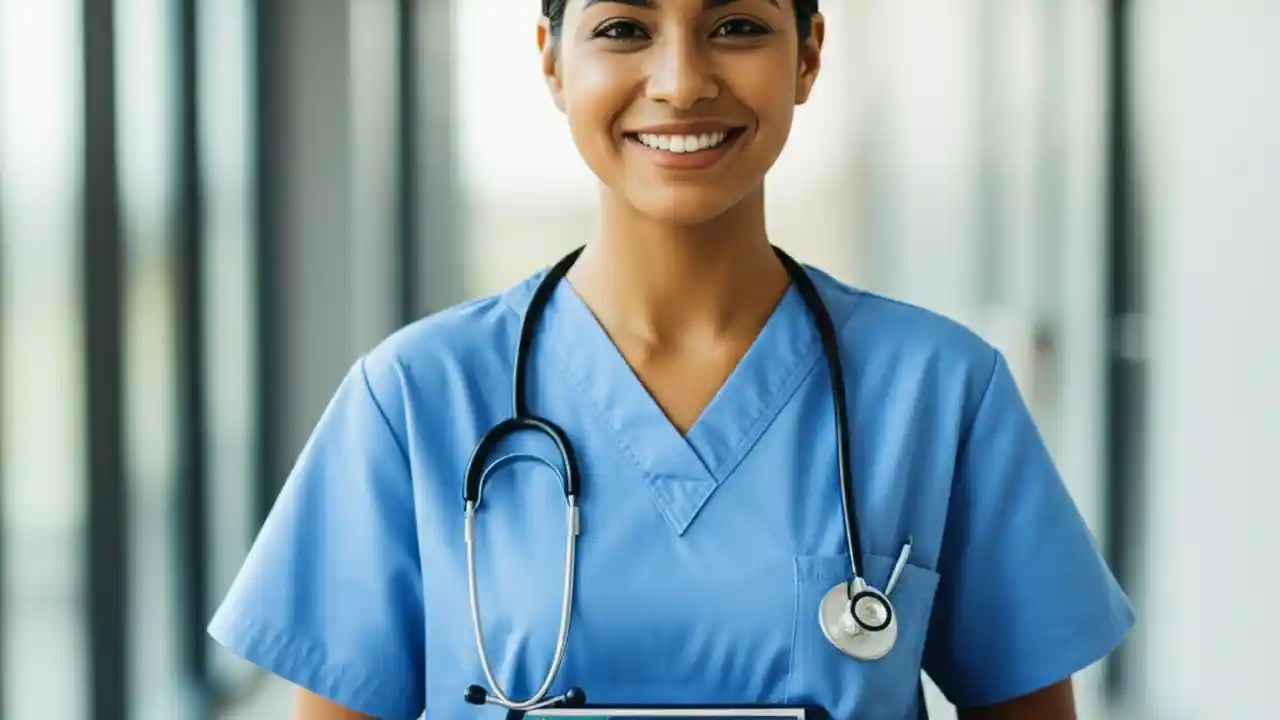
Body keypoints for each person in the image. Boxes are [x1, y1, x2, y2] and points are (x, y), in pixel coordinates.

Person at [207, 1, 1135, 718]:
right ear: (552, 62)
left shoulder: (938, 392)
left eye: (736, 26)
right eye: (623, 28)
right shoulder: (414, 399)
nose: (682, 81)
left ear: (808, 55)